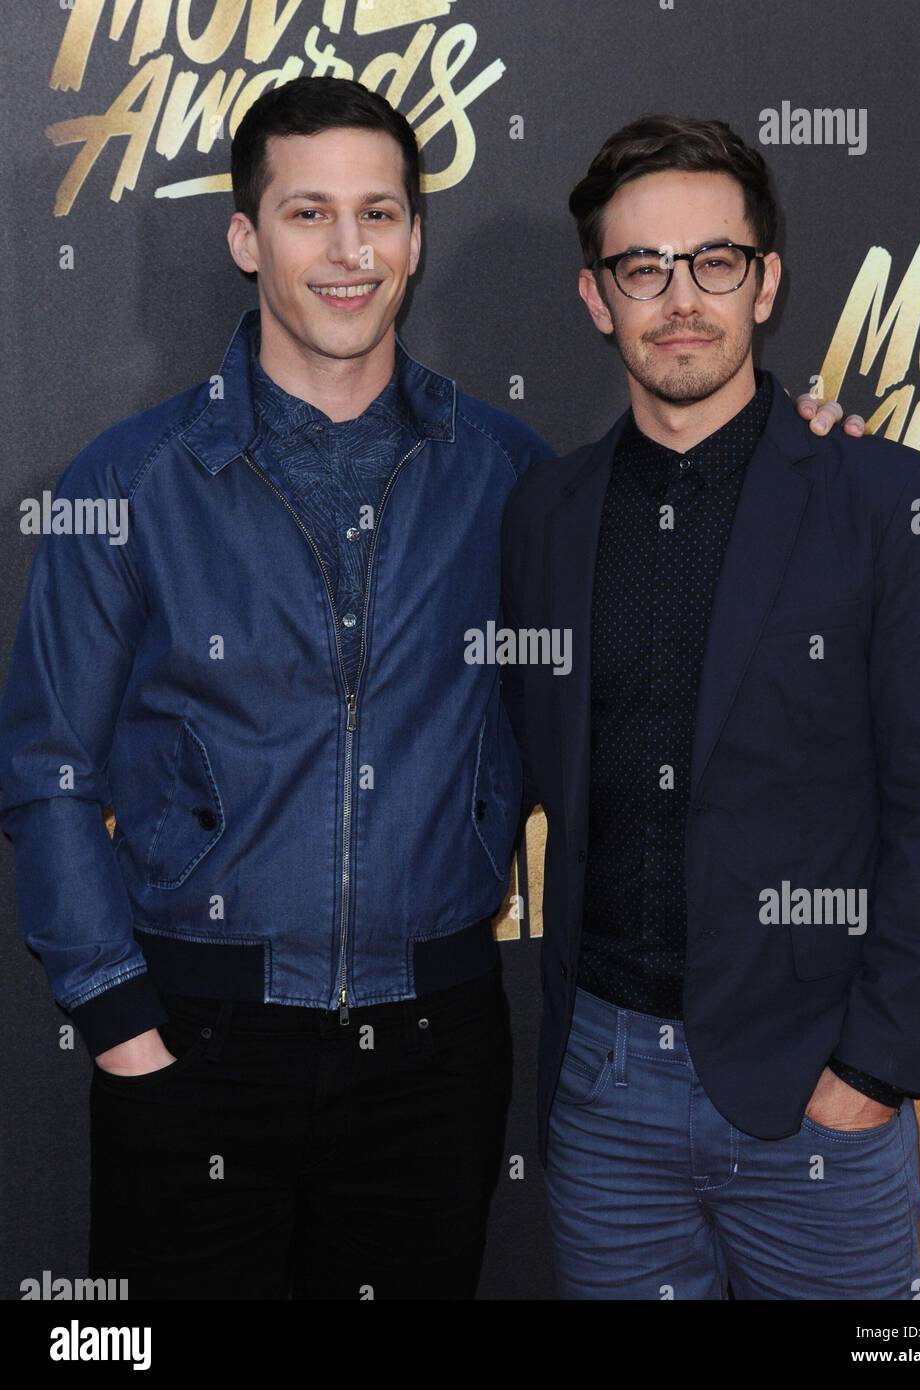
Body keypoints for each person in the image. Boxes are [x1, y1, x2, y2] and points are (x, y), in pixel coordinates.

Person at [0, 79, 855, 1301]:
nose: (350, 252)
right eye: (309, 214)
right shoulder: (129, 482)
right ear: (247, 238)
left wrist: (805, 454)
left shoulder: (514, 479)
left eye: (380, 213)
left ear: (414, 234)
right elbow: (46, 773)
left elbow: (689, 530)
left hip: (433, 1054)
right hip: (196, 1039)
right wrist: (126, 1029)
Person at [500, 114, 920, 1300]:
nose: (681, 298)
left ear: (764, 281)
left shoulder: (881, 496)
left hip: (814, 1099)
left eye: (714, 261)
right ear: (594, 295)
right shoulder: (546, 516)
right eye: (643, 268)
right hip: (603, 1090)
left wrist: (867, 1073)